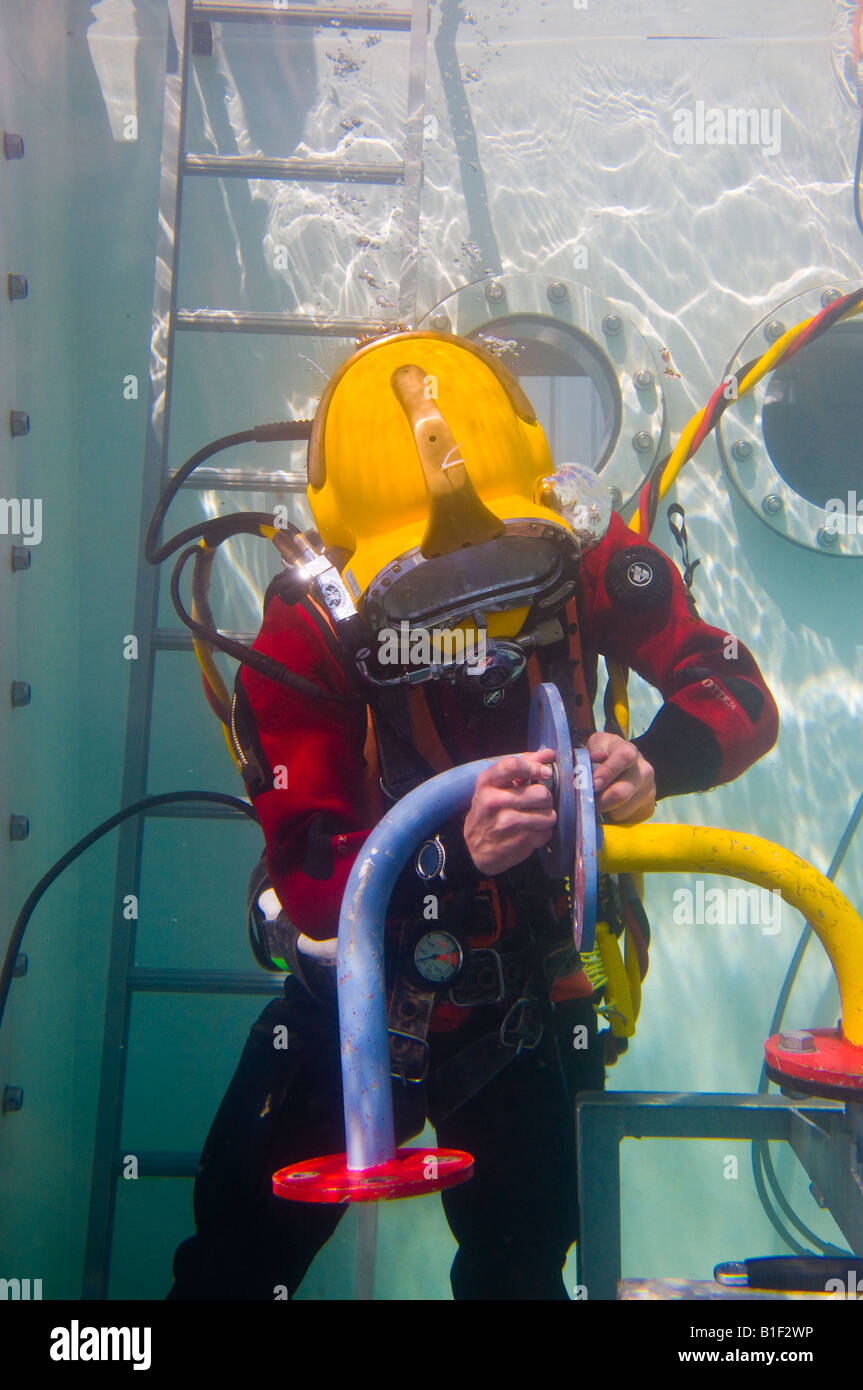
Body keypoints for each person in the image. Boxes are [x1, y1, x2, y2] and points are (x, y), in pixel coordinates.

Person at [168, 331, 779, 1301]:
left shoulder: (585, 558)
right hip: (357, 994)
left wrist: (650, 763)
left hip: (532, 994)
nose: (475, 619)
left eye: (505, 565)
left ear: (541, 511)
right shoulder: (307, 628)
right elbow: (314, 873)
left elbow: (737, 691)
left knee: (521, 1268)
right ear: (356, 562)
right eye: (432, 587)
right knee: (236, 1259)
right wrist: (449, 852)